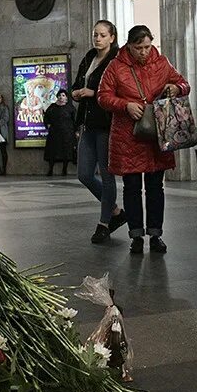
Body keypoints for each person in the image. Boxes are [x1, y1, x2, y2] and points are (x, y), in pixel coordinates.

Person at [97, 24, 190, 254]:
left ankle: (156, 235)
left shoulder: (162, 63)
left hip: (157, 136)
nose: (144, 52)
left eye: (147, 47)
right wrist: (125, 105)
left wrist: (175, 88)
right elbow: (103, 97)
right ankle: (136, 236)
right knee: (131, 188)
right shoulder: (116, 67)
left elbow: (184, 84)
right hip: (128, 136)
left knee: (156, 187)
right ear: (129, 46)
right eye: (139, 47)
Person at [72, 20, 127, 244]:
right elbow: (76, 82)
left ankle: (104, 223)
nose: (98, 39)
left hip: (107, 123)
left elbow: (118, 90)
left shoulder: (117, 60)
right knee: (84, 174)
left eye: (103, 35)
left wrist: (92, 92)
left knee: (106, 174)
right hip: (87, 122)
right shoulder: (89, 57)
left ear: (112, 37)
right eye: (95, 34)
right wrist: (76, 92)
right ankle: (114, 210)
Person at [43, 89, 75, 176]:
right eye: (60, 95)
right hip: (54, 133)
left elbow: (74, 120)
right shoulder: (52, 107)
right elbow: (46, 117)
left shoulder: (70, 108)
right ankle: (50, 169)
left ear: (66, 98)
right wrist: (48, 124)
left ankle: (64, 169)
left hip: (67, 133)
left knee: (66, 151)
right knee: (52, 151)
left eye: (63, 95)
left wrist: (76, 131)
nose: (61, 97)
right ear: (57, 97)